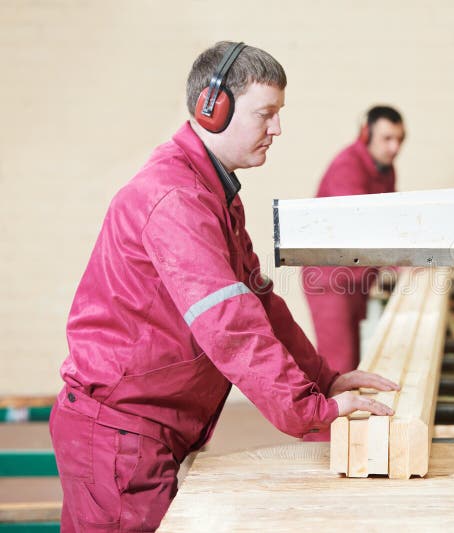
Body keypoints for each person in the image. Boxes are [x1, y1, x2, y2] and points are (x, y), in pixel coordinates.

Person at [50, 41, 398, 532]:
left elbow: (259, 303)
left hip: (154, 426)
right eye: (266, 114)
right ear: (212, 110)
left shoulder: (214, 192)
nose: (277, 129)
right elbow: (229, 325)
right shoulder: (177, 198)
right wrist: (307, 410)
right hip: (119, 433)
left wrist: (324, 378)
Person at [302, 106, 405, 376]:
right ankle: (324, 420)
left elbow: (389, 221)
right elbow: (360, 225)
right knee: (339, 366)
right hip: (330, 279)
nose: (395, 147)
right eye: (387, 138)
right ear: (365, 134)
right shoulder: (347, 167)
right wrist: (398, 265)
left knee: (354, 363)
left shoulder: (386, 170)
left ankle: (336, 418)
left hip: (358, 277)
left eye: (399, 139)